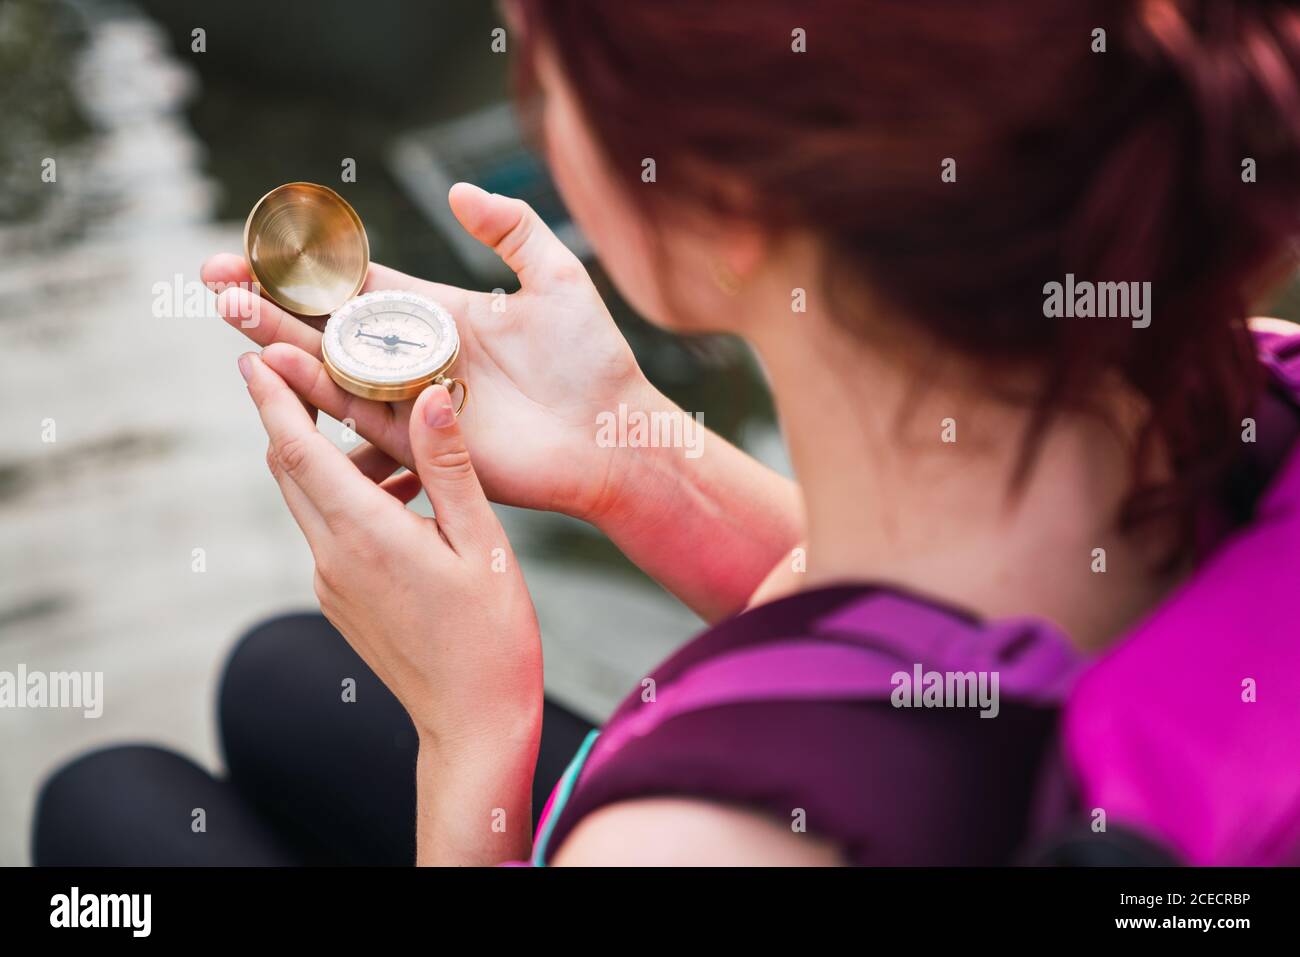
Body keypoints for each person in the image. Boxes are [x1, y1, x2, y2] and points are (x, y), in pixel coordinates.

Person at [34, 0, 1300, 865]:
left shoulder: (682, 848)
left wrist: (475, 737)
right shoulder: (1237, 386)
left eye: (541, 68)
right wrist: (635, 451)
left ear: (714, 203)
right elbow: (970, 660)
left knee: (107, 816)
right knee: (285, 680)